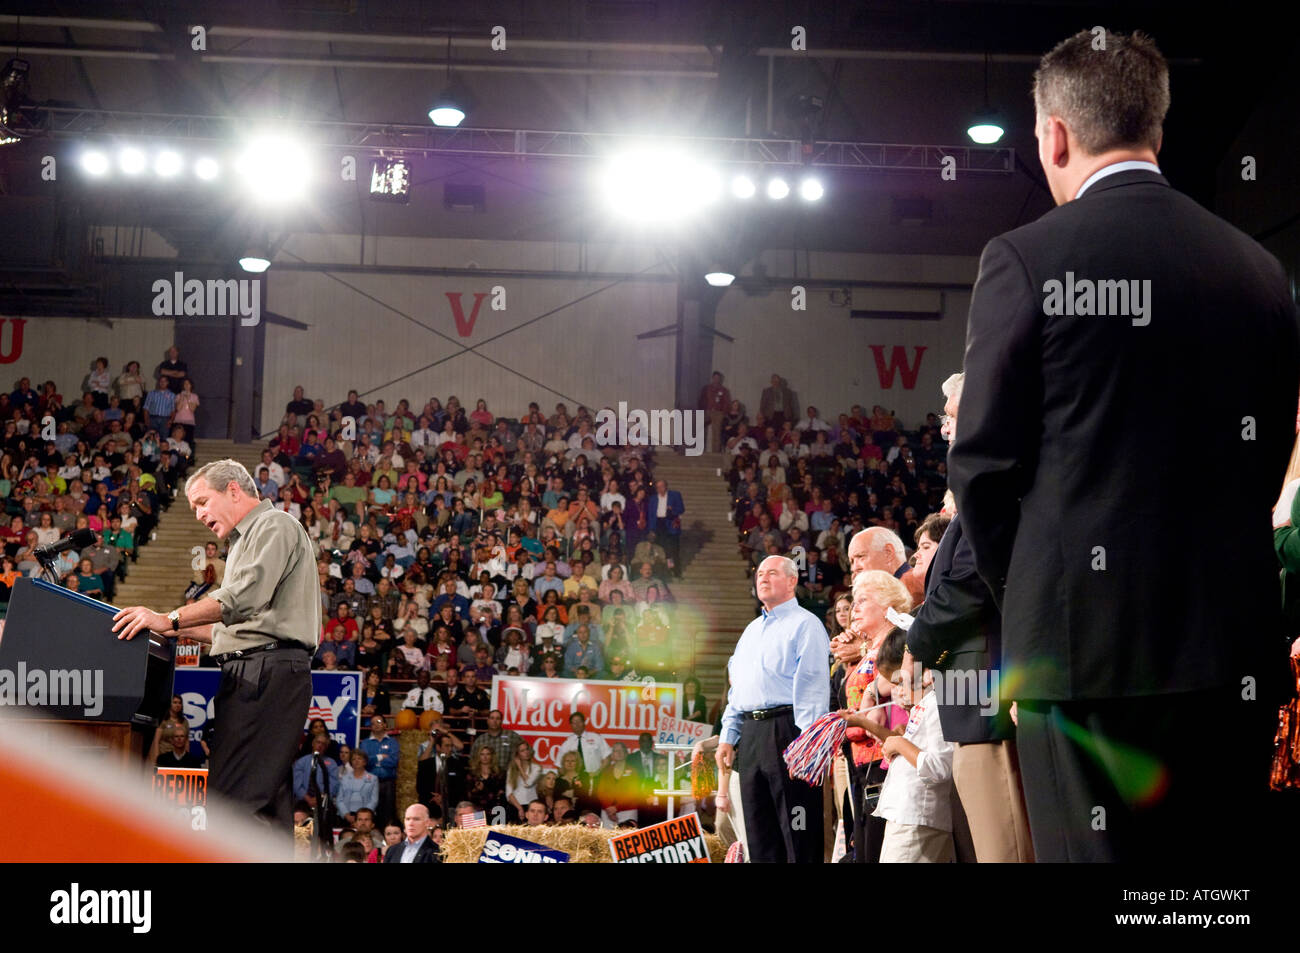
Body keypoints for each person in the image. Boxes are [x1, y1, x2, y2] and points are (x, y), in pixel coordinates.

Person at [949, 30, 1300, 863]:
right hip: (1232, 654)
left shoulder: (1025, 258)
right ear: (1158, 131)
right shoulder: (1257, 269)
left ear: (1055, 135)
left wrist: (1040, 590)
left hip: (1084, 662)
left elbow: (983, 469)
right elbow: (1268, 456)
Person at [113, 459, 319, 835]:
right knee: (264, 803)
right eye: (193, 508)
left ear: (234, 490)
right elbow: (245, 627)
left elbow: (241, 598)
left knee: (234, 803)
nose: (198, 514)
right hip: (256, 669)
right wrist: (180, 631)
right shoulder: (243, 541)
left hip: (266, 673)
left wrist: (169, 618)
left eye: (202, 502)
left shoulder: (274, 525)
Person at [900, 373, 1032, 862]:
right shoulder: (979, 492)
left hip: (985, 698)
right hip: (973, 696)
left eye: (952, 416)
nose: (944, 429)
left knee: (1006, 846)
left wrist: (916, 642)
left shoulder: (990, 489)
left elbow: (966, 589)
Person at [718, 555, 829, 863]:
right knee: (759, 832)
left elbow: (812, 688)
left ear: (792, 581)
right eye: (759, 574)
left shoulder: (806, 625)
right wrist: (729, 735)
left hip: (789, 731)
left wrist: (806, 748)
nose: (762, 578)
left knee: (798, 831)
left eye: (772, 573)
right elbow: (737, 690)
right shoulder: (750, 632)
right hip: (751, 735)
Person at [850, 628, 954, 863]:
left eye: (899, 681)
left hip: (917, 818)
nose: (897, 691)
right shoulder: (923, 706)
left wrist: (900, 744)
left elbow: (939, 767)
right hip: (907, 816)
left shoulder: (936, 706)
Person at [360, 714, 401, 827]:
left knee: (387, 812)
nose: (376, 725)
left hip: (387, 781)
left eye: (378, 722)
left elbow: (393, 761)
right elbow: (365, 761)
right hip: (369, 782)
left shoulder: (392, 742)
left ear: (384, 724)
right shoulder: (365, 743)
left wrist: (374, 759)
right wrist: (381, 757)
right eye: (373, 723)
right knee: (370, 811)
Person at [555, 711, 611, 776]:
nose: (577, 724)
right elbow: (559, 766)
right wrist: (568, 778)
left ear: (584, 723)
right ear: (571, 725)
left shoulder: (596, 737)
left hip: (595, 777)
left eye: (579, 721)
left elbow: (607, 757)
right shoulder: (567, 743)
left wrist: (598, 773)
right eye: (574, 722)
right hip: (575, 780)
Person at [336, 749, 379, 825]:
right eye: (353, 759)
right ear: (351, 762)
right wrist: (346, 815)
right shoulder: (344, 778)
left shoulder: (373, 779)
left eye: (359, 758)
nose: (356, 761)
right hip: (346, 816)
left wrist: (362, 817)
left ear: (364, 762)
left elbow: (374, 800)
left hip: (365, 818)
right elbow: (339, 799)